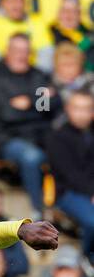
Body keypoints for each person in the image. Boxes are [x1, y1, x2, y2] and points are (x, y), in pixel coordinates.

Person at [0, 33, 54, 214]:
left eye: (25, 51)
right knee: (32, 157)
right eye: (16, 50)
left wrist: (28, 102)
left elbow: (45, 109)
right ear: (7, 52)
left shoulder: (38, 75)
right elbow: (7, 115)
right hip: (8, 138)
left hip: (40, 134)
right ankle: (38, 211)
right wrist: (36, 103)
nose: (21, 55)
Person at [48, 90, 94, 258]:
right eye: (77, 108)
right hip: (68, 194)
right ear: (68, 109)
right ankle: (88, 258)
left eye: (87, 109)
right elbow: (70, 175)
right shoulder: (57, 137)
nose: (82, 114)